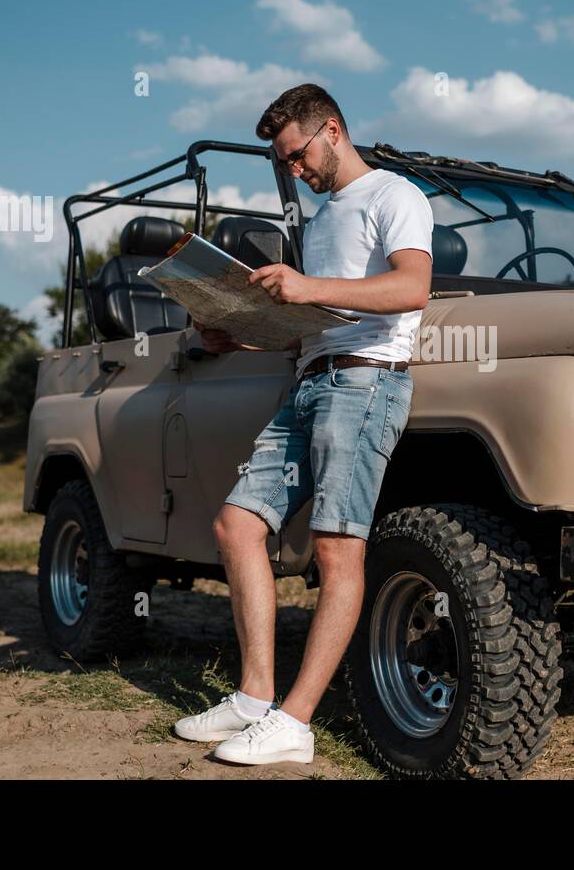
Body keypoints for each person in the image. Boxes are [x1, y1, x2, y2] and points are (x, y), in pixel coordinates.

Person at [173, 83, 434, 765]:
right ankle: (255, 699)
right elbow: (312, 326)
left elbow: (411, 288)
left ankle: (296, 722)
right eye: (284, 162)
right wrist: (243, 335)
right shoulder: (321, 222)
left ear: (334, 131)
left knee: (336, 550)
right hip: (311, 380)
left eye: (296, 154)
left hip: (368, 381)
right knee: (237, 524)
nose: (295, 170)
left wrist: (308, 285)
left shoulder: (394, 196)